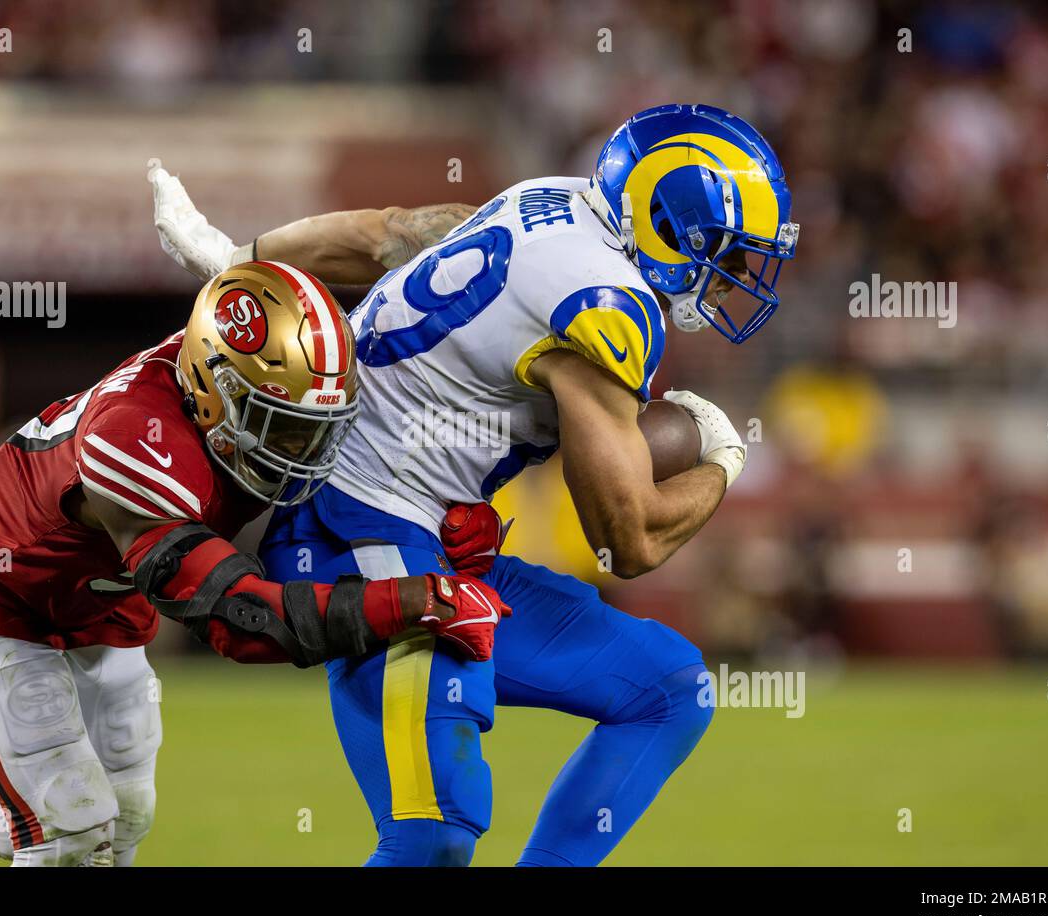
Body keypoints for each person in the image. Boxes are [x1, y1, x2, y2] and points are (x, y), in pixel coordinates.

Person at [153, 103, 799, 865]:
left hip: (418, 533)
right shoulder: (607, 306)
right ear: (669, 227)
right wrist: (723, 460)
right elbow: (629, 538)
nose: (737, 279)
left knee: (667, 690)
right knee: (432, 835)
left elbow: (383, 235)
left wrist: (238, 256)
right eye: (729, 252)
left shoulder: (550, 199)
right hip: (363, 532)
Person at [0, 262, 508, 868]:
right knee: (68, 828)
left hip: (103, 597)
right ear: (210, 393)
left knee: (122, 816)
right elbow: (245, 623)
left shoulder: (229, 372)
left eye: (314, 428)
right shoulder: (135, 441)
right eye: (279, 427)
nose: (300, 451)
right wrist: (418, 600)